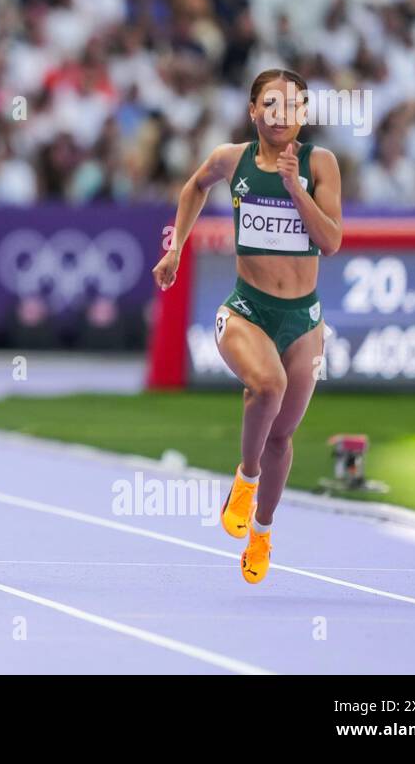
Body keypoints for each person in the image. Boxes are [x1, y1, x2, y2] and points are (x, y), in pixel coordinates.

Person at [153, 69, 343, 583]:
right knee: (267, 385)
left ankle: (261, 530)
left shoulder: (319, 163)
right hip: (246, 310)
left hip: (304, 320)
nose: (281, 114)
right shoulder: (229, 159)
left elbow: (330, 241)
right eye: (271, 104)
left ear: (303, 114)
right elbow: (194, 188)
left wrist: (294, 188)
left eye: (291, 105)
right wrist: (176, 248)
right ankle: (246, 476)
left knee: (282, 437)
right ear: (253, 111)